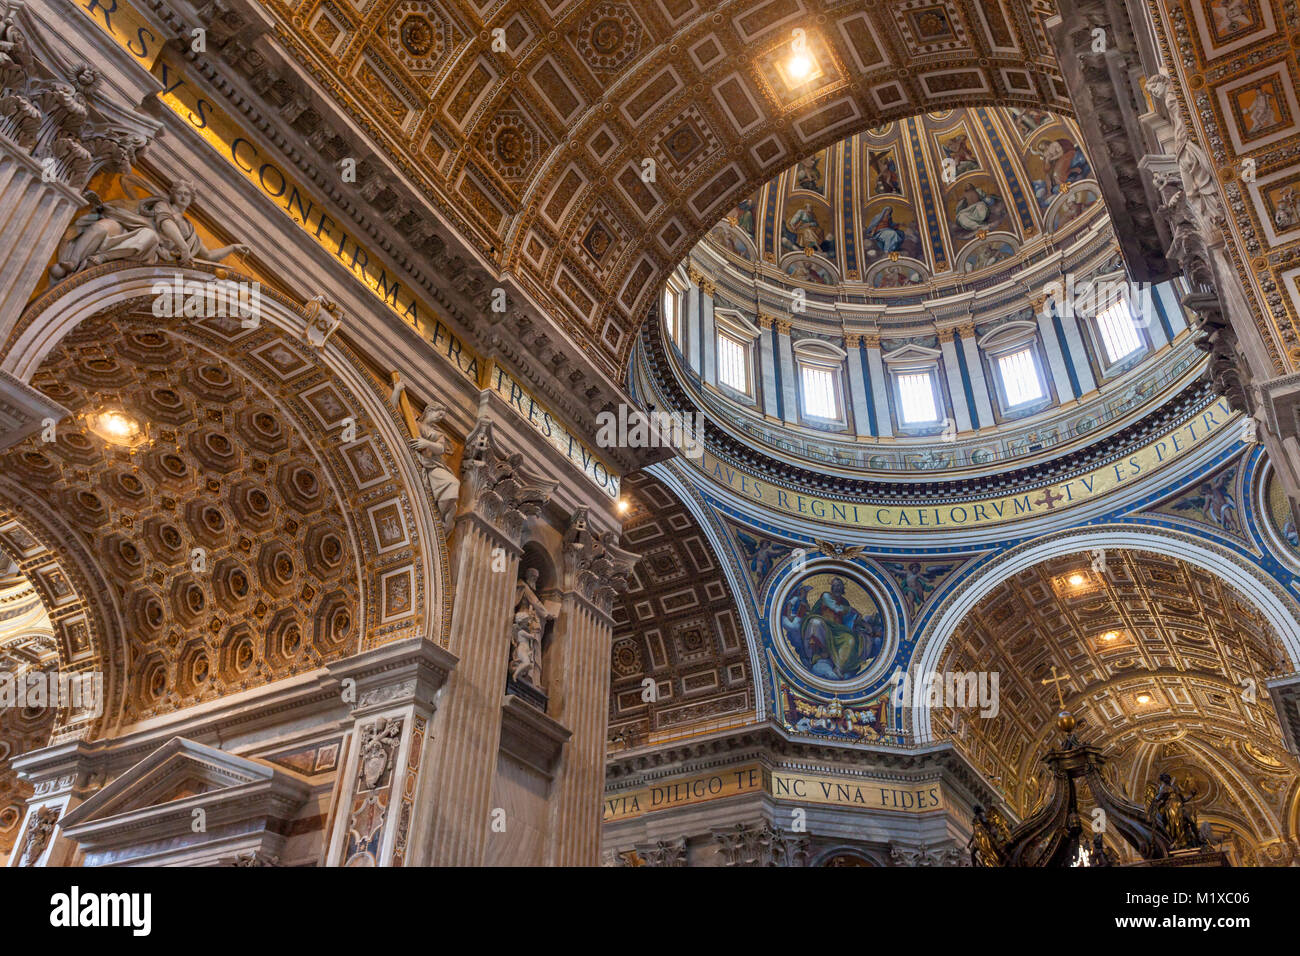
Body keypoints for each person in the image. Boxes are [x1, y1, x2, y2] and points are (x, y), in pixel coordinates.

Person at [51, 175, 248, 280]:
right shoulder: (163, 206)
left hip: (151, 252)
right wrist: (183, 247)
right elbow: (166, 223)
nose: (182, 196)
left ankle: (102, 258)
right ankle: (71, 262)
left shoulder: (190, 229)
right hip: (130, 231)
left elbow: (208, 256)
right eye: (179, 193)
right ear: (172, 194)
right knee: (103, 227)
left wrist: (232, 248)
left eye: (186, 195)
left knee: (150, 237)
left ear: (191, 199)